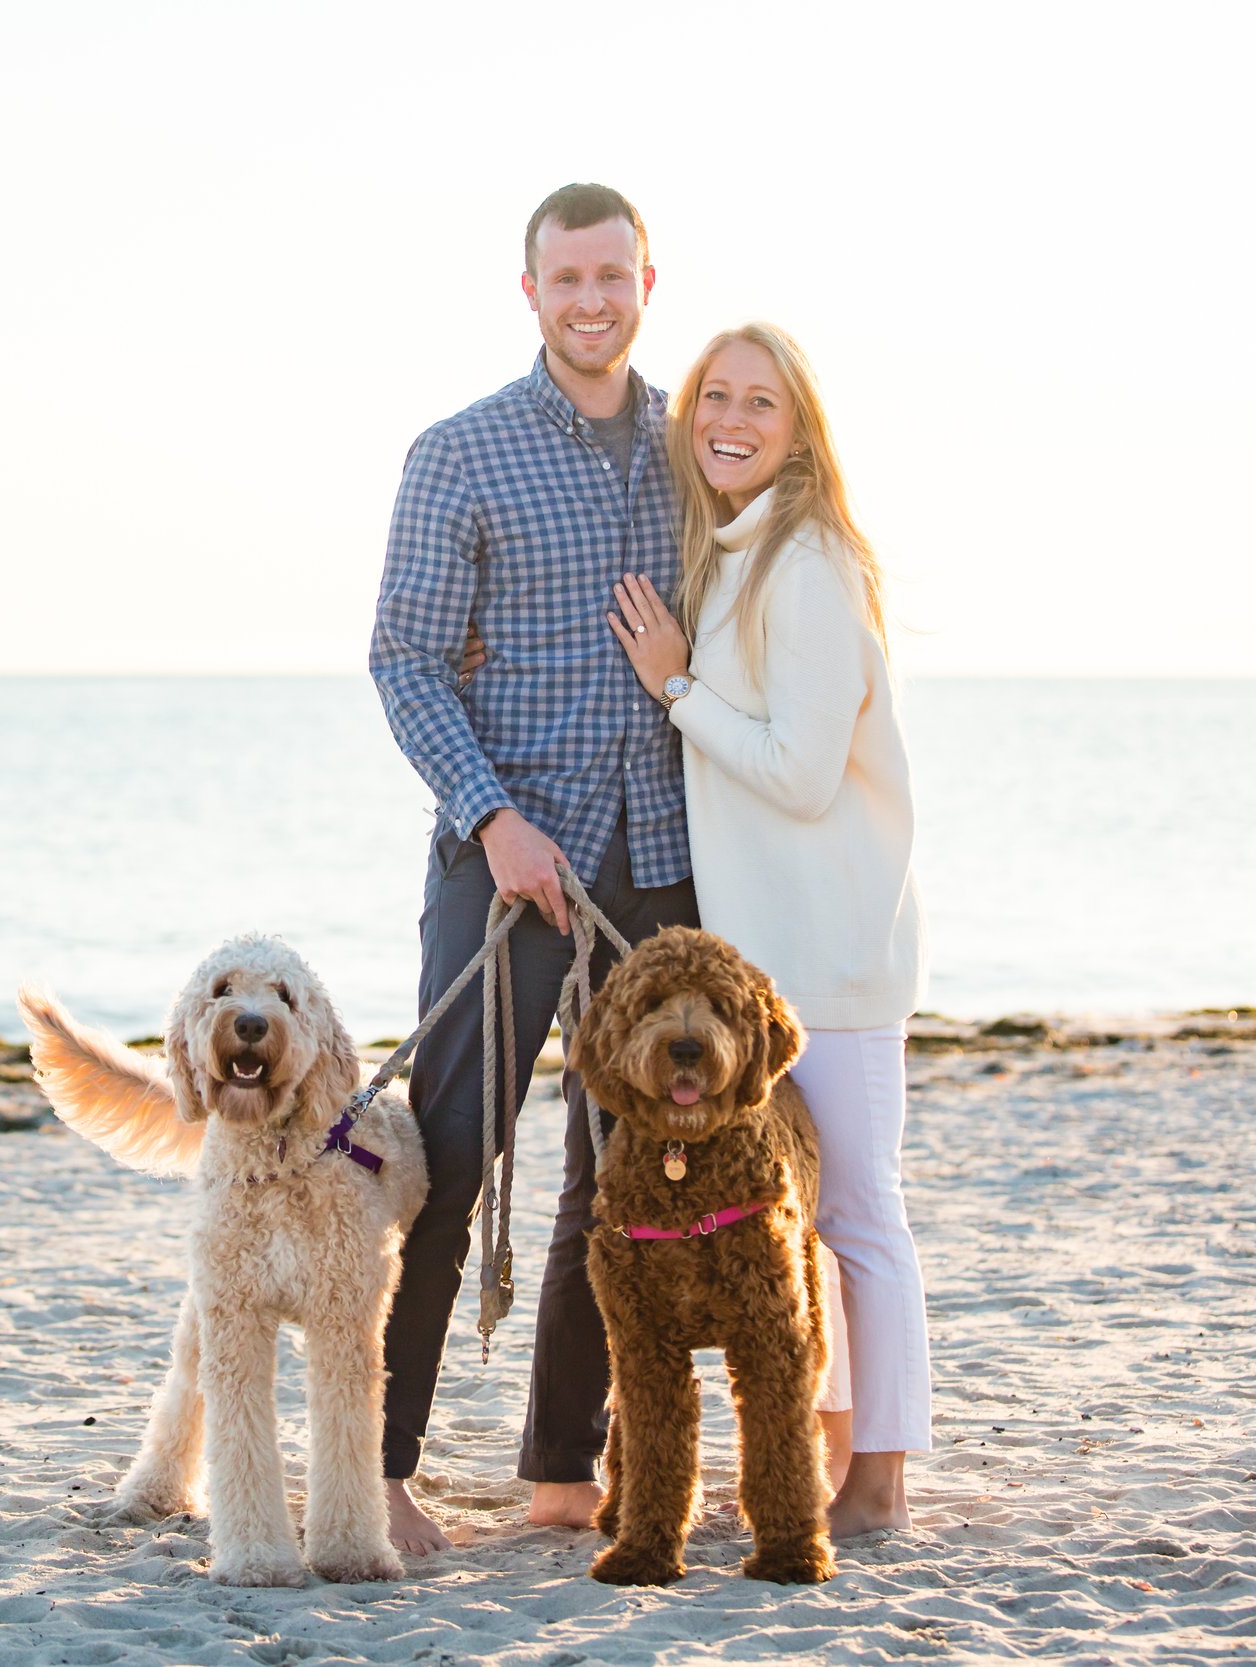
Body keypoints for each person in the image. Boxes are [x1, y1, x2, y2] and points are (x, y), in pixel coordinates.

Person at [366, 182, 696, 1555]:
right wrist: (494, 815)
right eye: (567, 278)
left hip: (664, 857)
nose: (591, 298)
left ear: (646, 279)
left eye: (612, 273)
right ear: (530, 291)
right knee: (445, 1161)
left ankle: (566, 1468)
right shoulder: (462, 453)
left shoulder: (702, 449)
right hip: (507, 865)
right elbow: (403, 659)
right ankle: (377, 1472)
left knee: (623, 1181)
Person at [604, 321, 934, 1537]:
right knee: (808, 1220)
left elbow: (799, 775)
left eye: (759, 403)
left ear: (797, 432)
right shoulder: (737, 550)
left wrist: (678, 687)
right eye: (713, 399)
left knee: (855, 1214)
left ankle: (884, 1478)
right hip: (770, 961)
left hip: (834, 952)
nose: (730, 420)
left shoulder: (806, 563)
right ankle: (834, 1453)